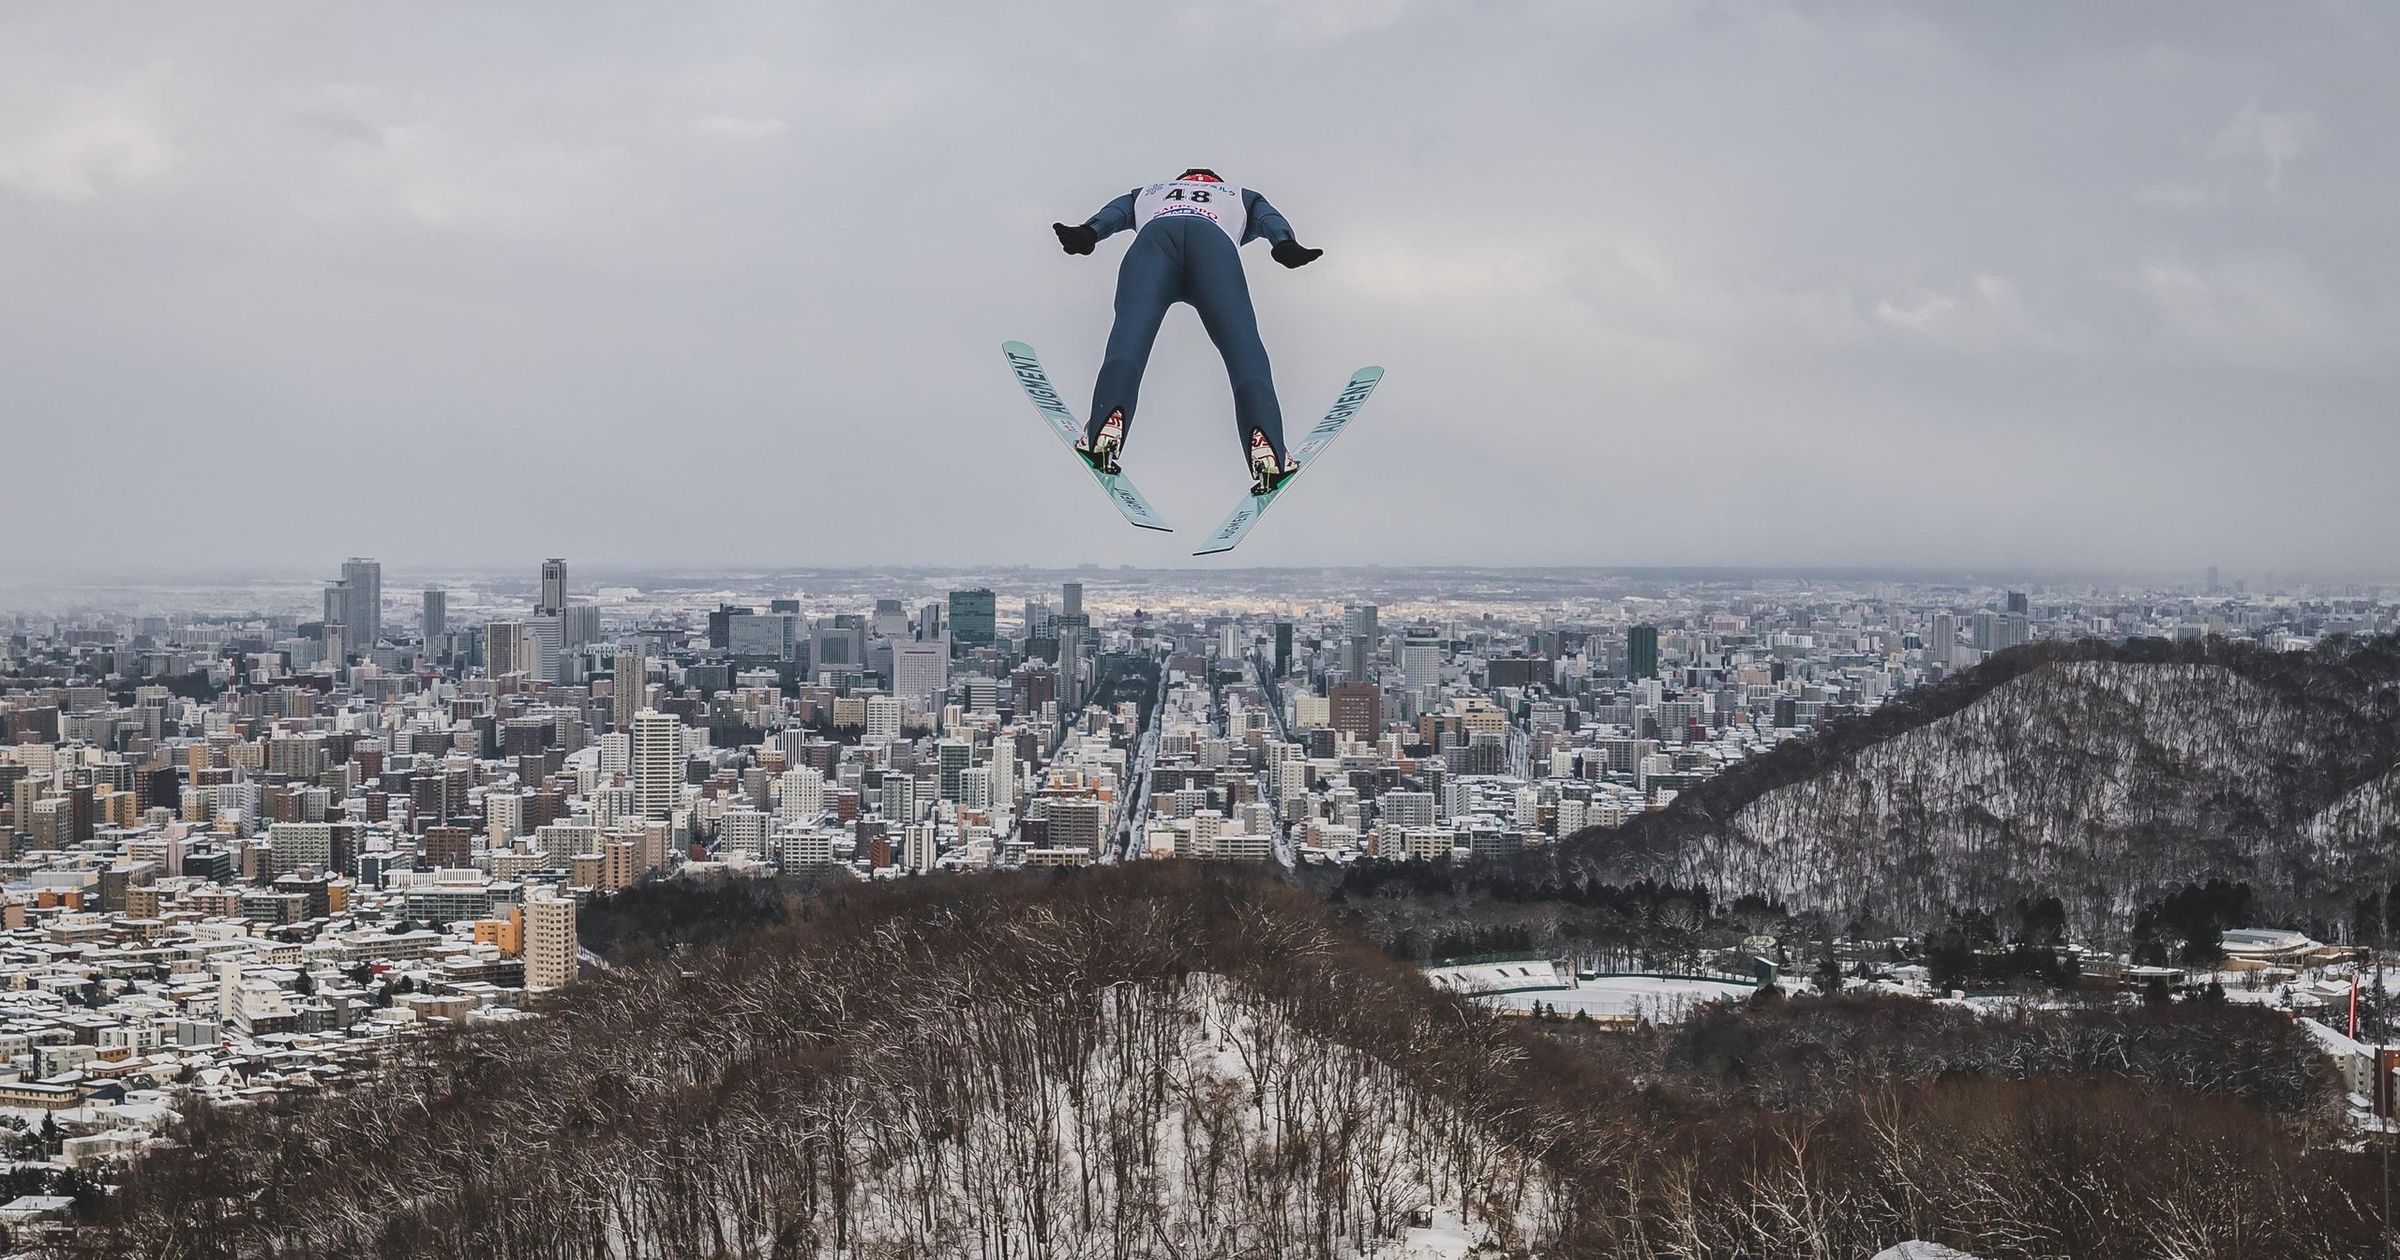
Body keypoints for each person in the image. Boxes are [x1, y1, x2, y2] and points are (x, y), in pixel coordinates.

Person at [1052, 168, 1323, 496]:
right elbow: (1268, 218)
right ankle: (1267, 450)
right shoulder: (1239, 195)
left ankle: (1105, 427)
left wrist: (1088, 233)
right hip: (1213, 250)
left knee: (1128, 338)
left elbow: (1115, 213)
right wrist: (1284, 242)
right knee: (1244, 351)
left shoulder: (1150, 191)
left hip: (1152, 244)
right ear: (1215, 183)